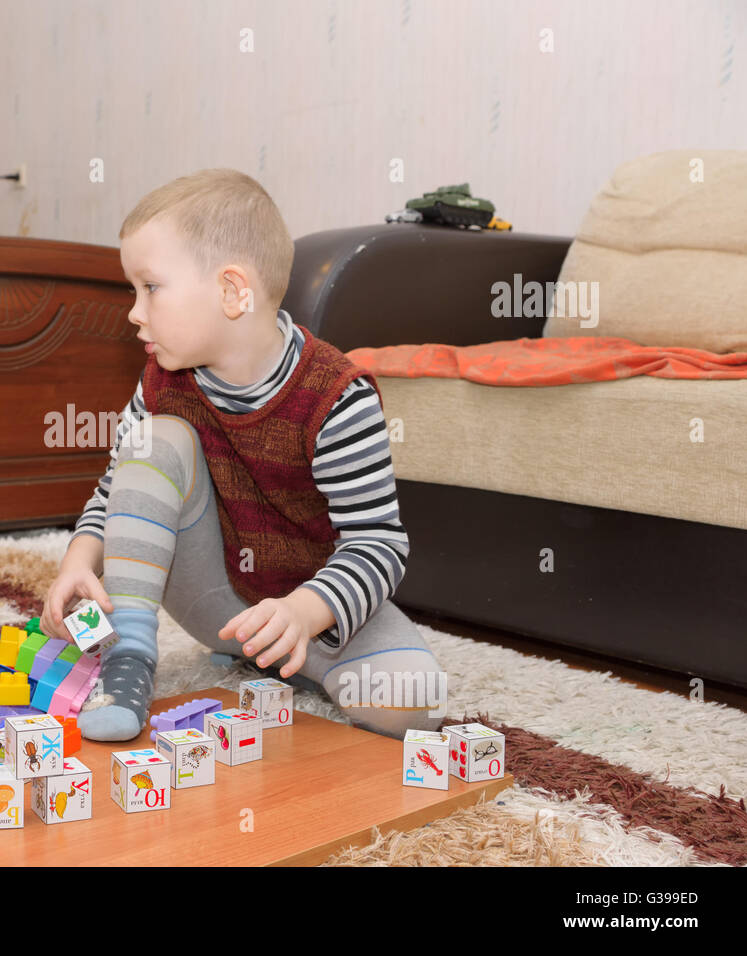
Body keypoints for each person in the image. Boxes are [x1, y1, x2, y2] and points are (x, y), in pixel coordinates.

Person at [38, 168, 446, 742]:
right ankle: (127, 655)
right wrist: (78, 563)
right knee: (154, 440)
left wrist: (304, 615)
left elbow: (379, 545)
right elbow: (115, 490)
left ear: (232, 291)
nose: (134, 311)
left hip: (308, 608)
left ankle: (286, 658)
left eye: (150, 287)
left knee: (415, 699)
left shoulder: (335, 398)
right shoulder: (163, 379)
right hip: (212, 595)